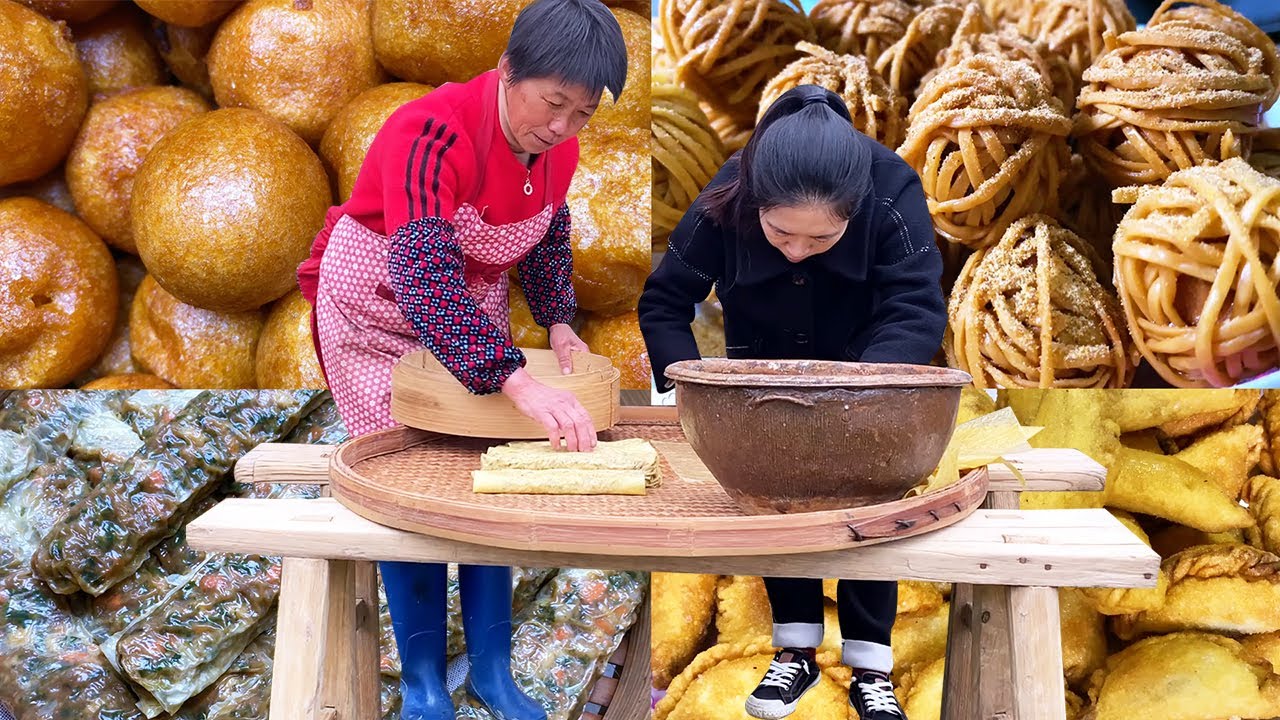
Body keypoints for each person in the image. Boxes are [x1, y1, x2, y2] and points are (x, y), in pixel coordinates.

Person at [295, 1, 627, 718]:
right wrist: (510, 379)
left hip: (470, 306)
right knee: (405, 483)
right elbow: (422, 270)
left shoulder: (558, 146)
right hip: (380, 306)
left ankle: (492, 672)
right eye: (553, 103)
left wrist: (559, 322)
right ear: (509, 71)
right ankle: (420, 680)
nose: (564, 127)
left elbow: (545, 234)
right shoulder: (430, 130)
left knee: (487, 476)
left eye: (583, 114)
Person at [638, 85, 946, 720]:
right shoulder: (728, 191)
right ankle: (795, 652)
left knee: (871, 514)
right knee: (778, 506)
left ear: (853, 211)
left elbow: (915, 309)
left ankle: (870, 667)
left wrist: (860, 396)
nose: (797, 251)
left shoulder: (894, 193)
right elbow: (667, 301)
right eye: (779, 234)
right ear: (755, 200)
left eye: (820, 240)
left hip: (868, 387)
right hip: (762, 389)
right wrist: (690, 386)